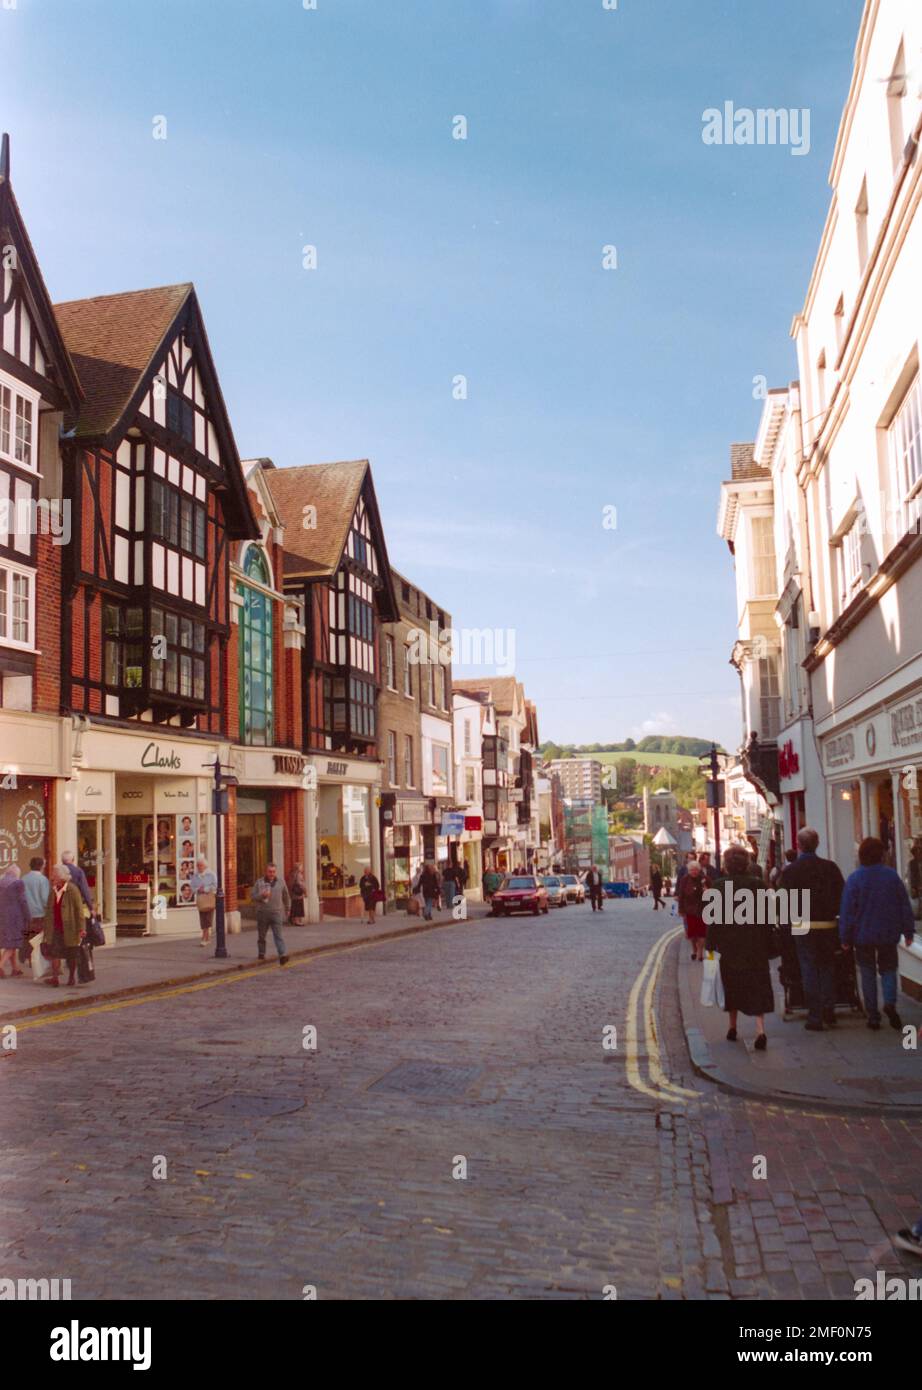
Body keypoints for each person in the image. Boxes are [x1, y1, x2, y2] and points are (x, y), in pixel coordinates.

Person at [839, 836, 915, 1031]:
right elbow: (904, 905)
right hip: (888, 931)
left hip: (863, 934)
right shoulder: (892, 877)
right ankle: (890, 1002)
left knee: (867, 972)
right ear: (882, 854)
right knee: (889, 969)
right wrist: (908, 931)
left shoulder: (855, 879)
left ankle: (873, 1015)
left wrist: (845, 937)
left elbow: (848, 910)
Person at [707, 843, 775, 1050]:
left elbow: (713, 921)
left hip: (730, 946)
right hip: (755, 945)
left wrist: (710, 947)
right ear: (747, 864)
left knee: (732, 985)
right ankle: (760, 1030)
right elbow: (769, 917)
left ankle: (732, 1027)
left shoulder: (718, 887)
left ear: (726, 865)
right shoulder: (759, 885)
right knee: (758, 986)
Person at [781, 827, 846, 1032]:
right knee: (827, 967)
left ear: (799, 846)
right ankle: (829, 1009)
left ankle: (815, 1016)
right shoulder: (830, 868)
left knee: (808, 968)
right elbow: (841, 896)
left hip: (802, 926)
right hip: (828, 925)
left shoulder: (790, 871)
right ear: (817, 844)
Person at [42, 864, 86, 988]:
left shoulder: (72, 889)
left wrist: (81, 928)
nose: (52, 878)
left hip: (70, 929)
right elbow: (49, 910)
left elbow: (79, 910)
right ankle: (55, 978)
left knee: (71, 954)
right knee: (55, 953)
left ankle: (71, 977)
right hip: (55, 928)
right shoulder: (53, 890)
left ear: (62, 877)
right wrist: (46, 928)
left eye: (54, 876)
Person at [250, 863, 290, 965]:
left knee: (278, 936)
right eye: (270, 872)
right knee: (262, 936)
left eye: (273, 871)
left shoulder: (281, 882)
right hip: (262, 913)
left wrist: (288, 908)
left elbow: (286, 896)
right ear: (266, 872)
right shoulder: (259, 882)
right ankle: (261, 953)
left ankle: (282, 955)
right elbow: (253, 896)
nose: (272, 874)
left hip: (276, 913)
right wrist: (261, 895)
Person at [0, 864, 30, 978]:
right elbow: (23, 901)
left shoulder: (1, 881)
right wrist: (28, 916)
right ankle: (1, 966)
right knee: (13, 944)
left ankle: (15, 969)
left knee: (11, 942)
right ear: (17, 874)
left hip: (2, 917)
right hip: (15, 918)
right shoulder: (18, 883)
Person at [21, 856, 49, 970]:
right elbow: (45, 898)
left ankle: (28, 958)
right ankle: (37, 961)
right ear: (41, 866)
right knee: (38, 939)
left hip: (27, 914)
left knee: (28, 938)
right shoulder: (42, 880)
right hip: (39, 914)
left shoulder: (23, 878)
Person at [677, 860, 707, 962]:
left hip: (703, 909)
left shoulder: (704, 879)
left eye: (696, 870)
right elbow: (681, 895)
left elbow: (713, 890)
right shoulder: (685, 880)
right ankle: (694, 949)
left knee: (702, 933)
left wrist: (708, 890)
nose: (694, 872)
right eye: (691, 870)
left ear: (699, 870)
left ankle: (700, 953)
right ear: (689, 871)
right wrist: (681, 909)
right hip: (689, 910)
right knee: (692, 934)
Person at [190, 856, 217, 947]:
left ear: (205, 866)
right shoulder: (195, 876)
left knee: (208, 918)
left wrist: (206, 889)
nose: (199, 867)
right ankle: (207, 936)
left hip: (209, 898)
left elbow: (216, 886)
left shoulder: (211, 874)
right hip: (201, 899)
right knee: (202, 918)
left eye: (200, 865)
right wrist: (198, 889)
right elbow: (192, 887)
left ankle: (204, 937)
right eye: (198, 865)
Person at [61, 850, 94, 914]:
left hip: (60, 904)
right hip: (75, 902)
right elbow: (85, 890)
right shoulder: (78, 871)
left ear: (62, 860)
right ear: (73, 860)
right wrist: (91, 908)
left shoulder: (56, 871)